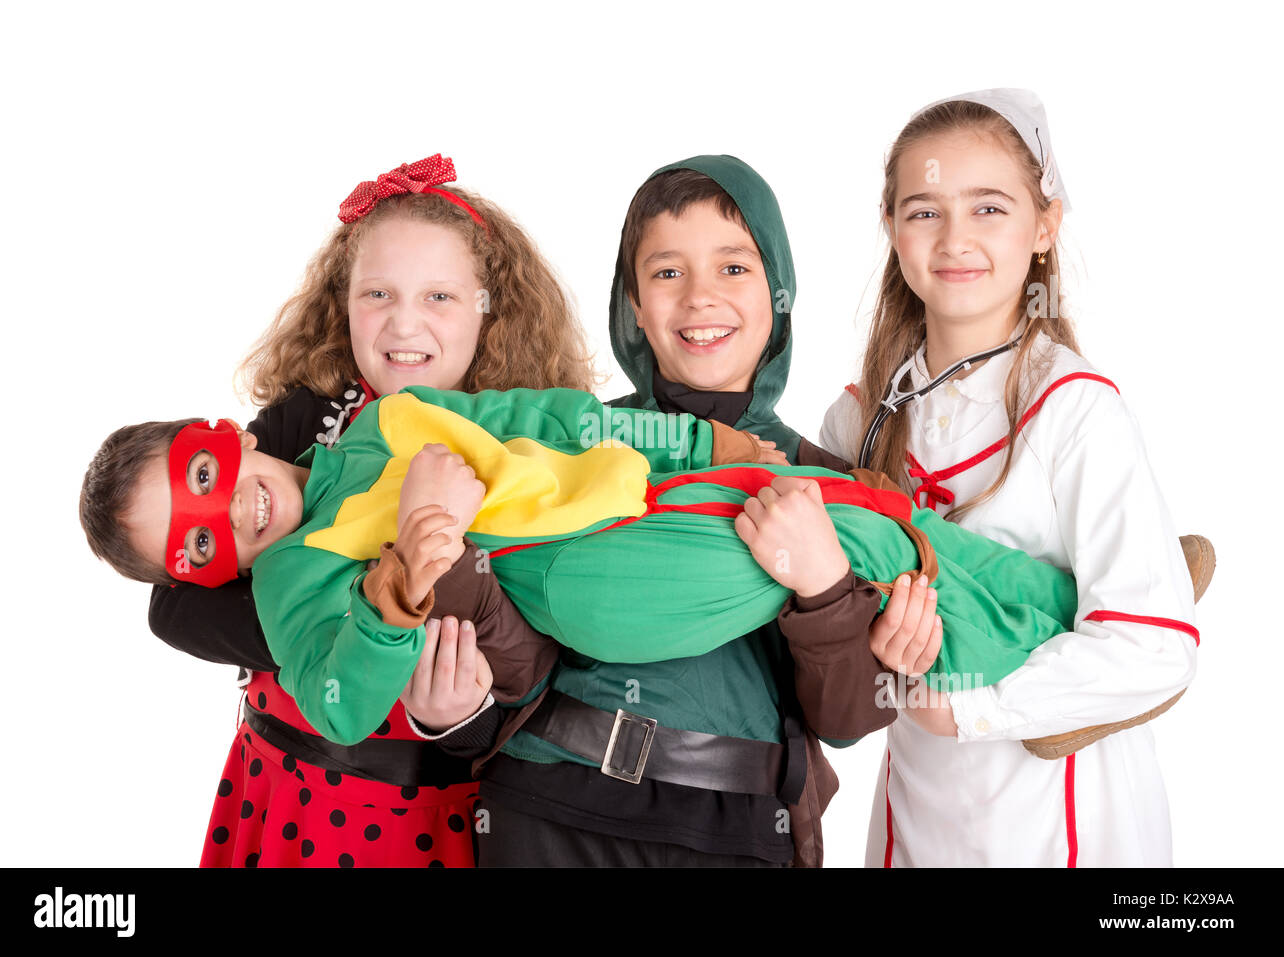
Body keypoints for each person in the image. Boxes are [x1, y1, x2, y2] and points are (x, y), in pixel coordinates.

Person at [83, 378, 1095, 741]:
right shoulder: (291, 579)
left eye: (205, 472)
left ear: (230, 437)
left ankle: (1057, 618)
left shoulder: (387, 420)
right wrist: (396, 586)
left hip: (630, 506)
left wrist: (703, 445)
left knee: (855, 514)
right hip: (585, 582)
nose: (230, 510)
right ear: (205, 572)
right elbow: (339, 698)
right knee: (855, 534)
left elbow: (555, 421)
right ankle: (1061, 635)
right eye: (197, 538)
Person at [122, 154, 592, 866]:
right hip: (281, 791)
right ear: (343, 301)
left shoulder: (525, 444)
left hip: (434, 808)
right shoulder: (303, 423)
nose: (406, 323)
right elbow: (174, 607)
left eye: (439, 297)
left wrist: (444, 699)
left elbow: (535, 672)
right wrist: (354, 618)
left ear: (490, 306)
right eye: (377, 293)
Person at [475, 156, 901, 868]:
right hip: (548, 807)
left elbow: (850, 719)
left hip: (735, 829)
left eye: (733, 268)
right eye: (667, 272)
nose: (701, 298)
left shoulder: (828, 483)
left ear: (780, 290)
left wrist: (825, 588)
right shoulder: (574, 439)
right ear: (634, 304)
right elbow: (506, 612)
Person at [819, 90, 1198, 866]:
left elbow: (1157, 643)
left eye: (989, 208)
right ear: (891, 228)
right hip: (916, 813)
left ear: (1045, 227)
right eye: (924, 211)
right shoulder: (857, 419)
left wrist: (969, 708)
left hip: (1069, 824)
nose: (955, 238)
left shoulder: (1076, 410)